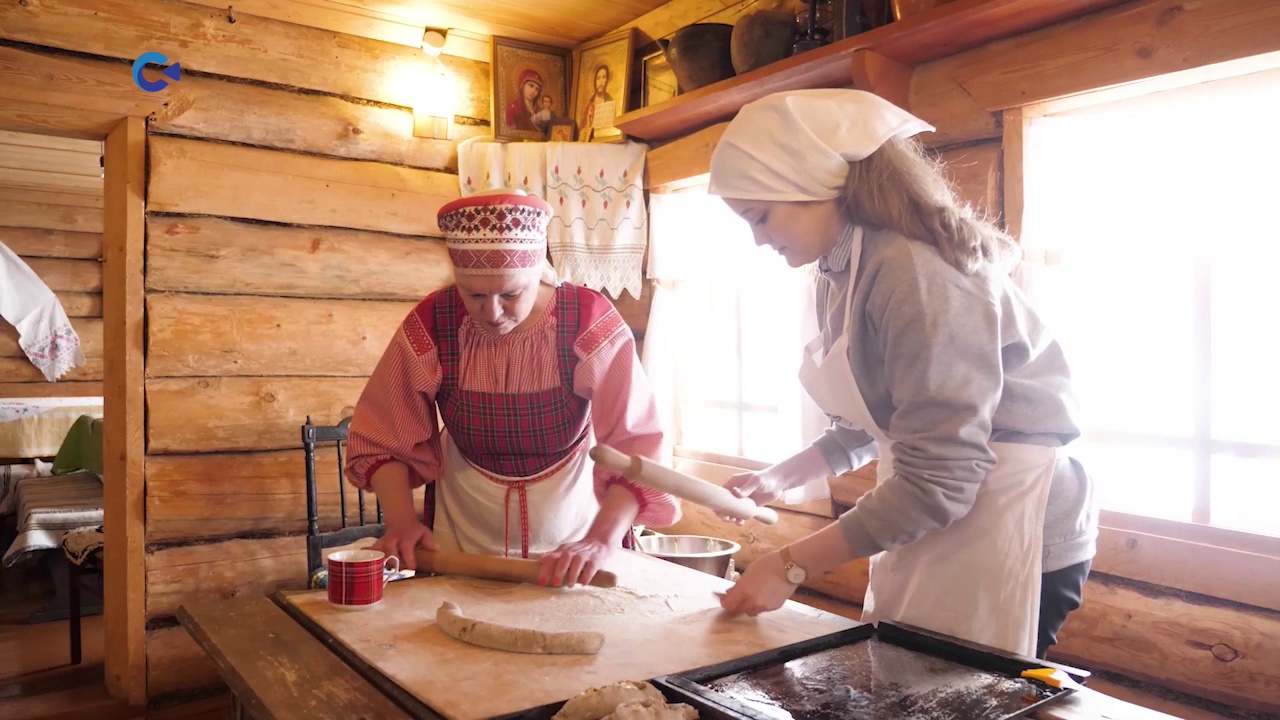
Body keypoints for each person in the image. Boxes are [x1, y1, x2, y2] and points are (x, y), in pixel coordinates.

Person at [707, 89, 1098, 660]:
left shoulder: (915, 273)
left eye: (760, 216)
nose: (759, 238)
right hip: (943, 504)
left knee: (962, 692)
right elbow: (882, 417)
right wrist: (781, 477)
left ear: (816, 184)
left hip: (1014, 514)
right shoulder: (841, 269)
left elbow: (941, 474)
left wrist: (789, 564)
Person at [345, 190, 679, 587]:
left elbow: (637, 447)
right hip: (463, 517)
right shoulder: (433, 322)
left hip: (572, 518)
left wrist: (600, 540)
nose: (493, 313)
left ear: (537, 272)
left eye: (510, 293)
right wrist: (400, 523)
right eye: (474, 295)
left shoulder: (587, 322)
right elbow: (383, 436)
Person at [577, 64, 613, 142]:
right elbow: (582, 133)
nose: (601, 82)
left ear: (607, 80)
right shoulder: (589, 105)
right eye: (598, 78)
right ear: (594, 81)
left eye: (604, 77)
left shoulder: (610, 102)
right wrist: (588, 122)